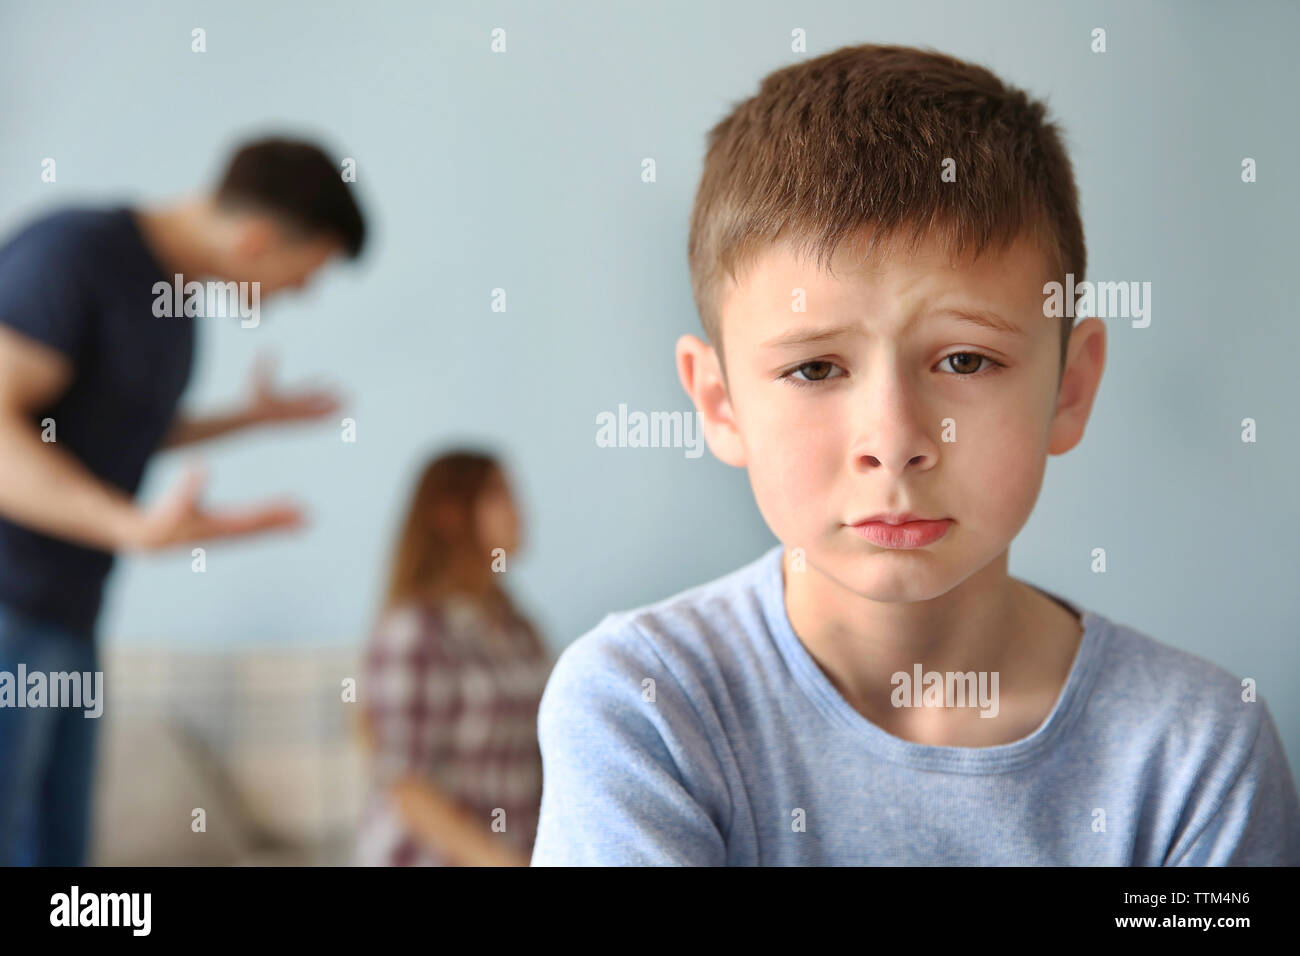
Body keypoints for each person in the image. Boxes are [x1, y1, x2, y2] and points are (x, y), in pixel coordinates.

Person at [530, 44, 1300, 865]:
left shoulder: (1196, 755)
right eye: (815, 369)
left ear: (1069, 389)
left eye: (965, 361)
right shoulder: (643, 705)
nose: (894, 443)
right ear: (720, 403)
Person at [0, 136, 367, 865]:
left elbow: (107, 431)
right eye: (305, 274)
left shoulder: (175, 305)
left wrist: (246, 420)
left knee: (61, 859)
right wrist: (130, 526)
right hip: (10, 608)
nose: (298, 294)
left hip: (70, 612)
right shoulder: (72, 256)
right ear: (257, 239)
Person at [354, 450, 553, 866]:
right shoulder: (414, 631)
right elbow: (407, 786)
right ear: (449, 515)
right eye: (498, 494)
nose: (519, 510)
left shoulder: (517, 627)